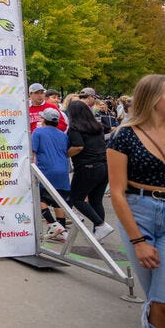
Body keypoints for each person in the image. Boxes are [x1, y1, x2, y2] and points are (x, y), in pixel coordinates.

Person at [108, 75, 165, 327]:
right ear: (152, 98)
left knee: (162, 299)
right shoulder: (125, 136)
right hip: (138, 212)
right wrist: (138, 241)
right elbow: (117, 192)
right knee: (155, 298)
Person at [65, 99, 114, 241]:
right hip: (104, 166)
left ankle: (100, 224)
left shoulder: (75, 128)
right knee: (96, 200)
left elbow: (78, 146)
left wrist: (65, 154)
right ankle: (98, 232)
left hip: (87, 167)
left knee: (76, 198)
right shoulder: (97, 126)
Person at [31, 107, 71, 242]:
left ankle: (54, 225)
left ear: (44, 120)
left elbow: (32, 151)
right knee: (58, 201)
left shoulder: (38, 132)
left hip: (46, 170)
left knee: (39, 200)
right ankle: (62, 232)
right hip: (63, 171)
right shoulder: (63, 135)